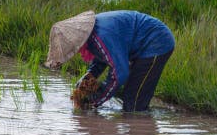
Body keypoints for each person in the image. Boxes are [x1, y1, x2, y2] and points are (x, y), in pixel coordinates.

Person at [45, 10, 175, 112]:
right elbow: (102, 59)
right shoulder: (92, 36)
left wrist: (95, 101)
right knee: (129, 96)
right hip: (140, 44)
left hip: (156, 43)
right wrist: (89, 76)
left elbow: (119, 74)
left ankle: (143, 133)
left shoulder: (101, 36)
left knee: (133, 105)